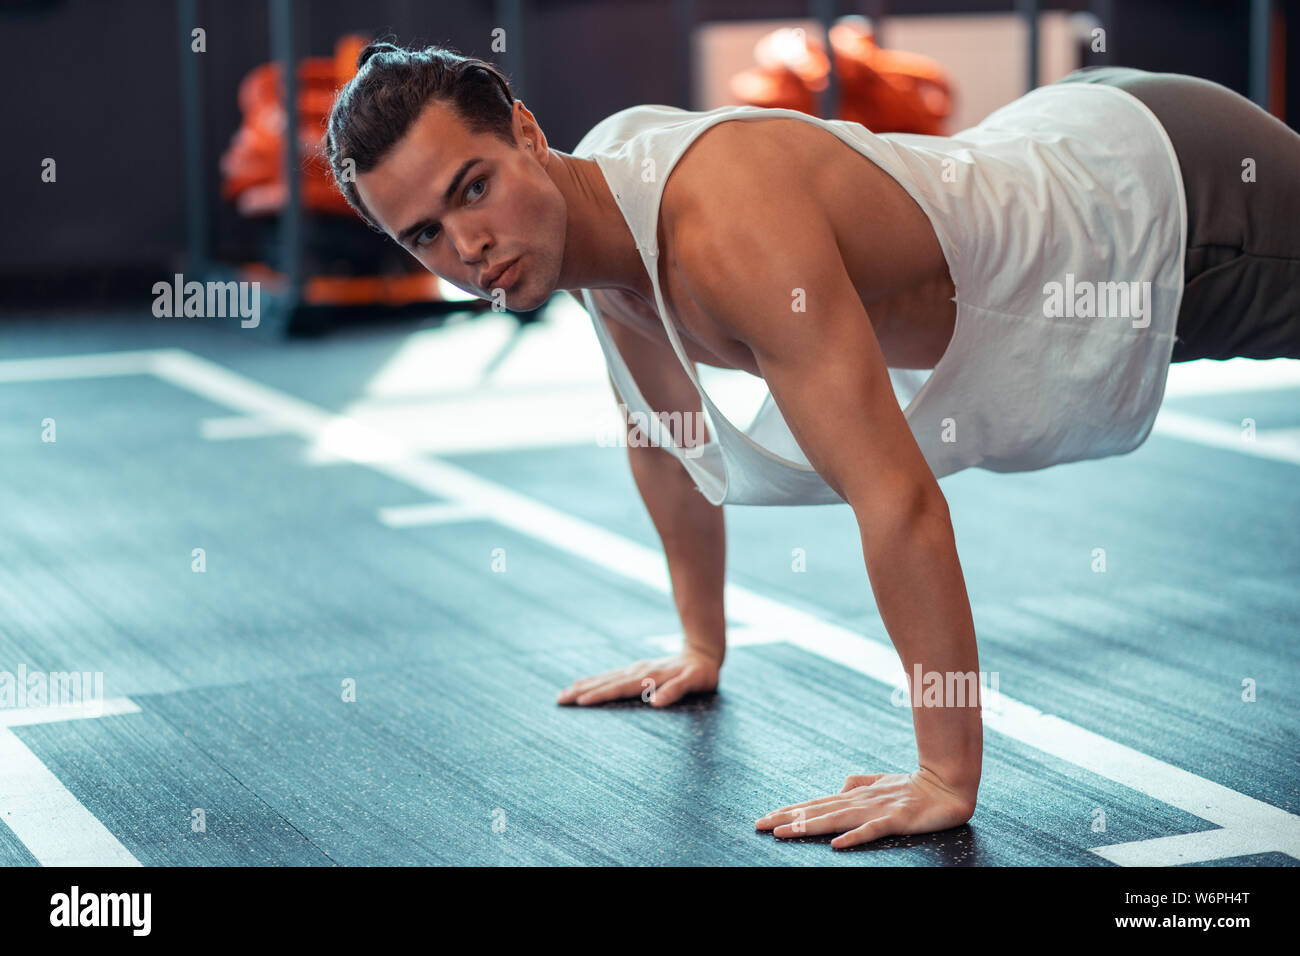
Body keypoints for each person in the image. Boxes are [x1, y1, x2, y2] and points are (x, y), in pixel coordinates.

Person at [326, 42, 1300, 849]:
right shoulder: (589, 222)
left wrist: (943, 772)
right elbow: (664, 437)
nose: (467, 246)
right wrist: (700, 641)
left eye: (474, 187)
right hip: (1079, 135)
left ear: (528, 134)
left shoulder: (723, 229)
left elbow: (898, 498)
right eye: (424, 235)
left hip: (1176, 206)